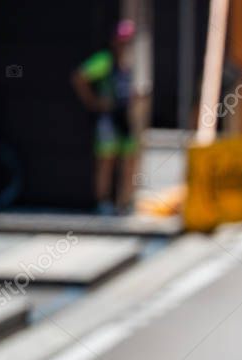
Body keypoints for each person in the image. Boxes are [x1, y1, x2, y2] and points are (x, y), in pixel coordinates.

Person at [71, 19, 139, 215]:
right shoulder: (104, 60)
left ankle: (125, 203)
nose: (125, 45)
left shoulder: (130, 63)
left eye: (129, 41)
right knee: (106, 161)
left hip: (124, 118)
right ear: (114, 41)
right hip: (107, 119)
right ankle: (103, 202)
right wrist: (93, 101)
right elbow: (79, 77)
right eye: (122, 41)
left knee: (129, 161)